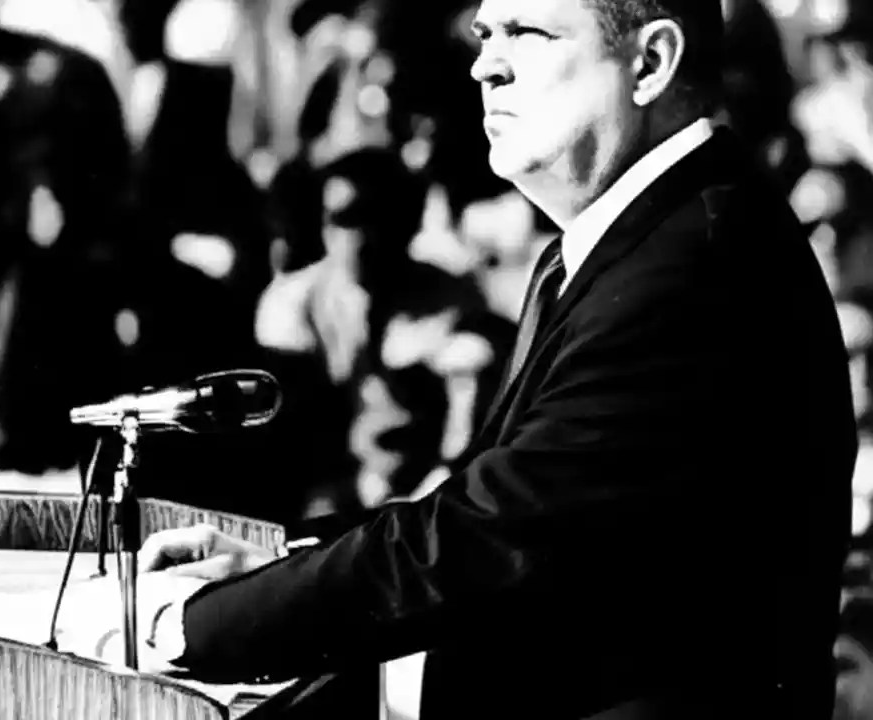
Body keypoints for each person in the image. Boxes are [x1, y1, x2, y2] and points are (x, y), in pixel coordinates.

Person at [48, 1, 856, 717]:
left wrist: (181, 626)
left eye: (527, 33)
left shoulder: (692, 264)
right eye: (482, 33)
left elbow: (490, 534)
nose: (484, 64)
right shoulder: (642, 238)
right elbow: (491, 505)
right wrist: (286, 565)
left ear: (649, 62)